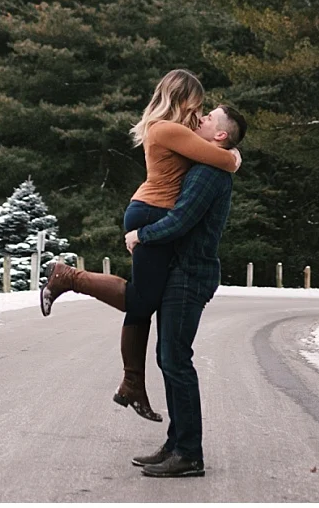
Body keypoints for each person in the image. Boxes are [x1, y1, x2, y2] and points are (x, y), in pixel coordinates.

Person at [38, 69, 240, 423]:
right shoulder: (169, 129)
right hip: (151, 215)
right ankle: (67, 276)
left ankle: (133, 385)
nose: (199, 111)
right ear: (181, 99)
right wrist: (235, 154)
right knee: (139, 299)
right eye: (197, 104)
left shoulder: (170, 129)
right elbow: (223, 159)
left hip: (150, 214)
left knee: (143, 304)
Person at [122, 111, 242, 479]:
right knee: (168, 357)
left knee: (176, 359)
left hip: (191, 275)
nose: (200, 119)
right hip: (182, 272)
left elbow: (182, 219)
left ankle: (189, 453)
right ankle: (176, 445)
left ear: (220, 136)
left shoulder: (209, 173)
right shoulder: (207, 163)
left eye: (209, 118)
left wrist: (142, 235)